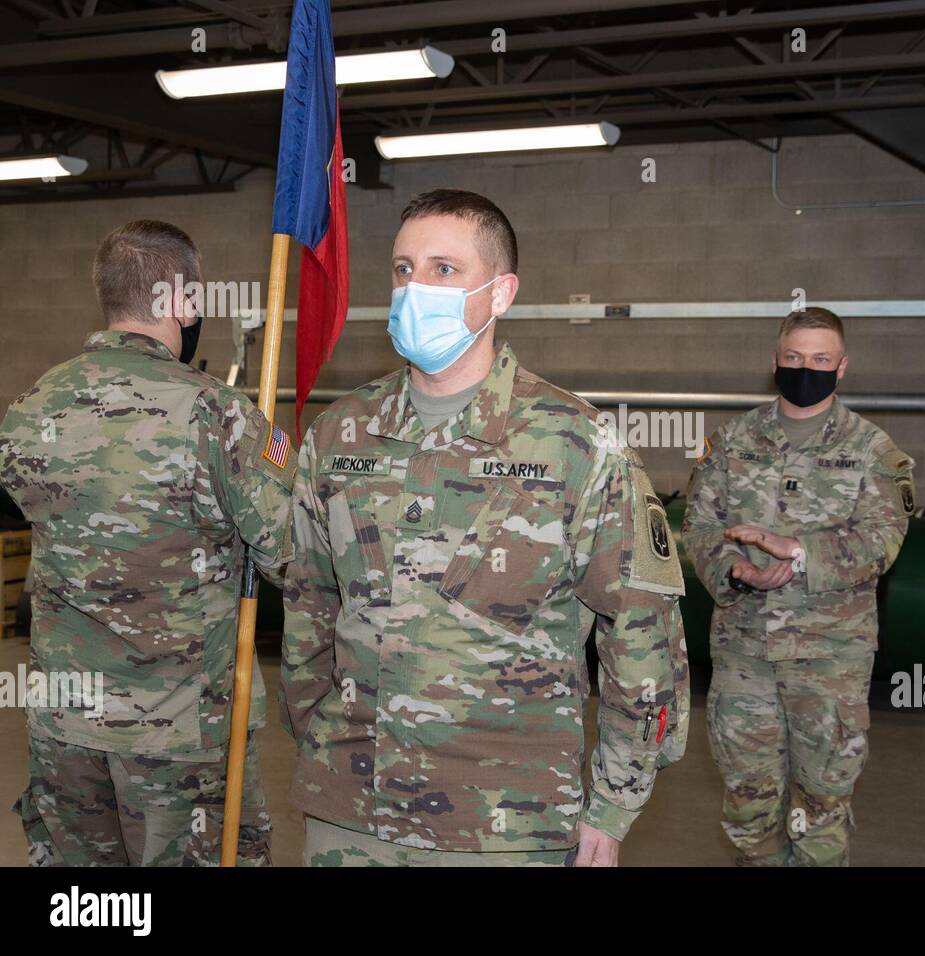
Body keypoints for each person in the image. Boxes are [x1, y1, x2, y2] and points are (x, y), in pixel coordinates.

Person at [280, 188, 689, 867]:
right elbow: (308, 607)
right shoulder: (340, 432)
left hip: (506, 821)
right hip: (348, 808)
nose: (416, 288)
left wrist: (614, 804)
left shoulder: (577, 443)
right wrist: (322, 739)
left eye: (444, 270)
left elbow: (642, 634)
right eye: (404, 269)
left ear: (501, 293)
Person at [0, 220, 293, 866]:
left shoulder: (32, 406)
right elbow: (293, 555)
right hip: (178, 733)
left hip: (63, 726)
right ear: (181, 301)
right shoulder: (218, 414)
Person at [681, 307, 915, 866]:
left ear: (841, 367)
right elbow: (698, 524)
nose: (804, 369)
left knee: (822, 806)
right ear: (774, 362)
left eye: (819, 360)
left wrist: (801, 552)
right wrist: (737, 570)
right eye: (793, 358)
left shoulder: (874, 451)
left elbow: (884, 540)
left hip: (829, 659)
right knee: (748, 803)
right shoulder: (731, 442)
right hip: (744, 653)